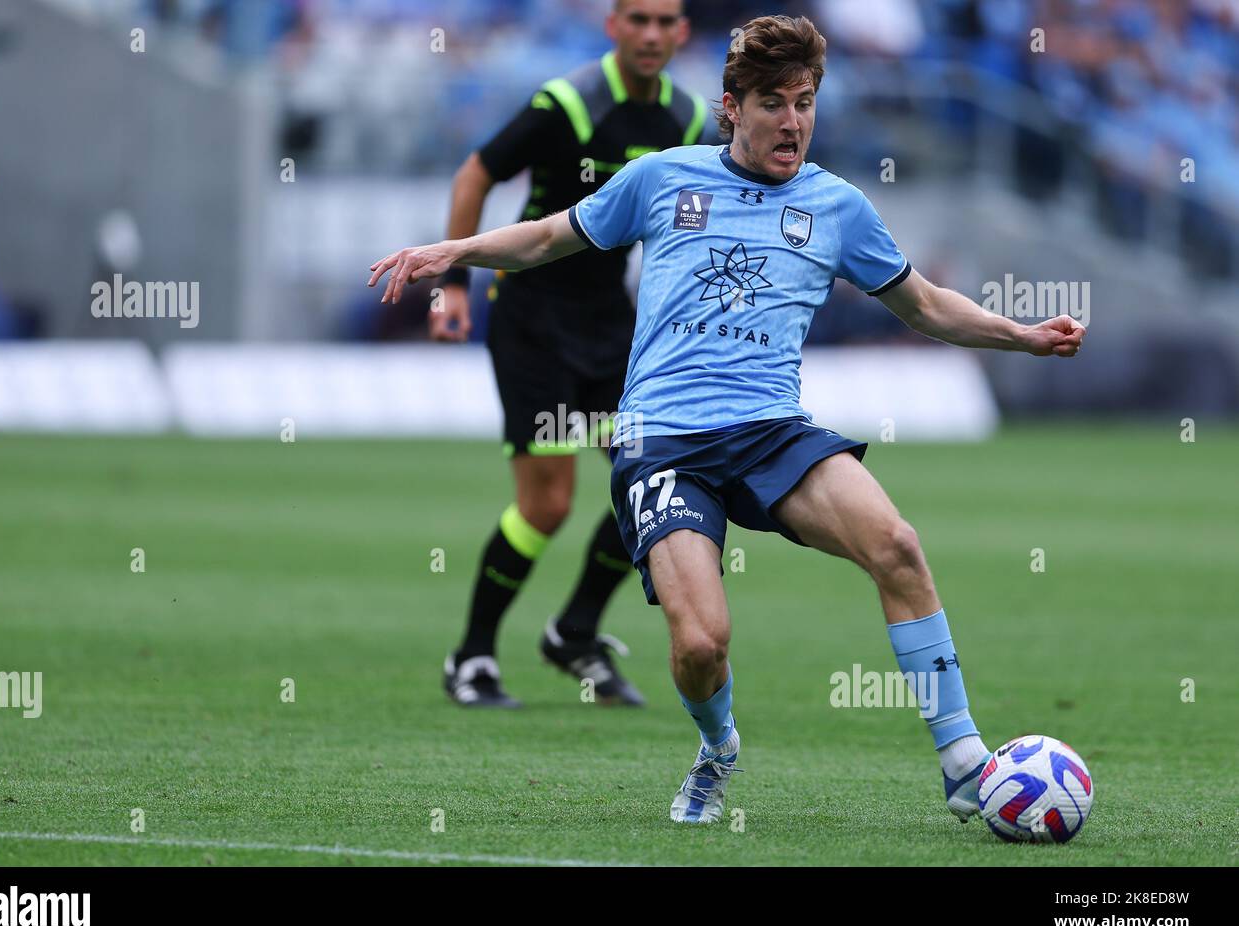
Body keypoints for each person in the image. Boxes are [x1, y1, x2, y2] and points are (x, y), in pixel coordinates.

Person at [371, 14, 1085, 823]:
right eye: (774, 102)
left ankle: (963, 762)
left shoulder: (837, 206)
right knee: (702, 644)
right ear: (733, 107)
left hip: (772, 431)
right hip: (664, 442)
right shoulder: (662, 178)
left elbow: (923, 305)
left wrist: (1019, 334)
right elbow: (544, 239)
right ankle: (717, 752)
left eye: (806, 101)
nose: (793, 121)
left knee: (896, 545)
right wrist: (453, 253)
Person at [432, 0, 713, 708]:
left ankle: (573, 632)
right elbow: (476, 174)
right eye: (638, 19)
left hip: (612, 326)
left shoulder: (686, 121)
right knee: (548, 506)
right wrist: (452, 288)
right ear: (612, 25)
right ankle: (470, 658)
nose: (651, 34)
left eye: (665, 21)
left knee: (654, 480)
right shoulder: (567, 105)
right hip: (533, 322)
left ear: (683, 33)